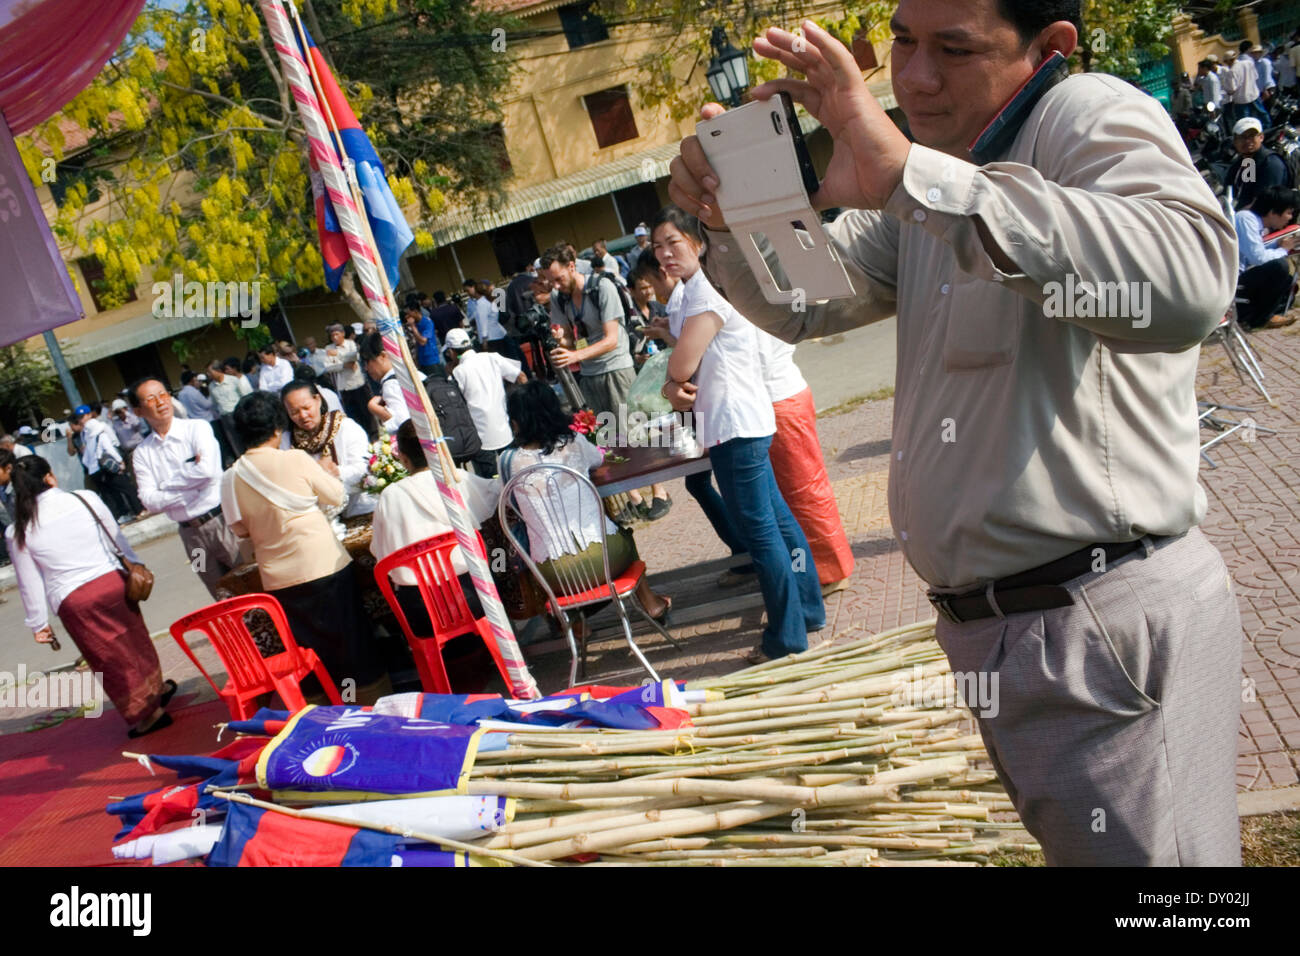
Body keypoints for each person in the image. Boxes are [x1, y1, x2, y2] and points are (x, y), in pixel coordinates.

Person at [669, 6, 1241, 865]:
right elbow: (811, 297)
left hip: (1096, 627)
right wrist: (733, 207)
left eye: (954, 49)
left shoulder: (1086, 114)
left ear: (1048, 50)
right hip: (1021, 636)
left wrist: (912, 176)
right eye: (902, 41)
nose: (914, 76)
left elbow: (1190, 283)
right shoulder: (938, 174)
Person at [651, 207, 824, 662]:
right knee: (777, 522)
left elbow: (682, 364)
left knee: (761, 532)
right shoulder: (699, 288)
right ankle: (807, 610)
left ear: (698, 242)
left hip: (734, 424)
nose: (665, 254)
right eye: (657, 247)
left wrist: (672, 382)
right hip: (741, 419)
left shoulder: (707, 290)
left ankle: (786, 636)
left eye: (674, 242)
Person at [221, 391, 387, 702]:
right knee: (352, 642)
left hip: (280, 580)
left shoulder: (230, 478)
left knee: (308, 650)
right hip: (325, 566)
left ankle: (323, 709)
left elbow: (239, 529)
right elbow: (336, 496)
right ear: (277, 427)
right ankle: (369, 704)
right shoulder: (296, 459)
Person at [7, 455, 176, 736]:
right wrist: (136, 565)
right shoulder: (84, 498)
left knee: (109, 657)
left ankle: (147, 714)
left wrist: (39, 623)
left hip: (75, 599)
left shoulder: (18, 530)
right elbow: (116, 537)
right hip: (113, 581)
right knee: (136, 640)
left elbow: (29, 581)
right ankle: (157, 689)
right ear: (49, 477)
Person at [499, 380, 671, 624]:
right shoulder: (573, 442)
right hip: (606, 558)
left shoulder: (507, 461)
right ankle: (650, 602)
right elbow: (598, 462)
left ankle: (576, 627)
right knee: (624, 535)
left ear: (515, 421)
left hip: (552, 575)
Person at [370, 419, 502, 633]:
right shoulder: (457, 479)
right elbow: (494, 498)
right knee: (497, 551)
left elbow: (379, 553)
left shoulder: (389, 496)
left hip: (421, 611)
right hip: (474, 598)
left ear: (403, 459)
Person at [130, 377, 247, 598]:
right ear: (138, 411)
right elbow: (149, 500)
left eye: (163, 394)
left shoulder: (197, 429)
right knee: (218, 591)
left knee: (247, 579)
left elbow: (207, 472)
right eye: (151, 398)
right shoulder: (142, 454)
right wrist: (193, 488)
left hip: (222, 524)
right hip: (191, 537)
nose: (161, 402)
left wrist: (165, 486)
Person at [280, 379, 375, 517]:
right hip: (316, 517)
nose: (303, 416)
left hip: (358, 508)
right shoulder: (287, 440)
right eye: (294, 412)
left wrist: (335, 472)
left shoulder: (345, 427)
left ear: (317, 400)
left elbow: (364, 469)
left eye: (306, 408)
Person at [443, 327, 527, 478]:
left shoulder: (458, 373)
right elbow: (520, 376)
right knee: (517, 475)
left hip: (480, 439)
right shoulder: (492, 357)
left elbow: (457, 405)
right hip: (506, 430)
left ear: (452, 352)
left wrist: (450, 375)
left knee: (490, 484)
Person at [1233, 185, 1300, 329]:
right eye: (1288, 213)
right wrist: (1283, 249)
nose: (1289, 218)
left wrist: (1279, 245)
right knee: (1279, 267)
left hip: (1241, 275)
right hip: (1232, 280)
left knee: (1288, 284)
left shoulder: (1256, 222)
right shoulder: (1246, 219)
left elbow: (1256, 249)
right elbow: (1257, 258)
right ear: (1272, 212)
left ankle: (1257, 313)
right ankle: (1259, 319)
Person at [71, 405, 145, 523]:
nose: (81, 420)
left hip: (96, 469)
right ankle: (138, 510)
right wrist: (120, 461)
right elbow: (111, 446)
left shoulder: (86, 434)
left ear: (90, 414)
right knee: (126, 487)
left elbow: (86, 456)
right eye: (79, 418)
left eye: (83, 417)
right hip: (107, 465)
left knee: (109, 494)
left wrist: (91, 465)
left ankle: (119, 517)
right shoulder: (95, 432)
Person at [1225, 117, 1293, 210]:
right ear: (1235, 141)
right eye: (1242, 137)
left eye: (1252, 136)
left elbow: (1265, 202)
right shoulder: (1246, 161)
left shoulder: (1271, 163)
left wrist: (1239, 214)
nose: (1248, 141)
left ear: (1261, 137)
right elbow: (1243, 192)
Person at [322, 323, 373, 438]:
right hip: (344, 387)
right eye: (332, 335)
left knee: (366, 411)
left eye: (337, 334)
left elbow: (354, 357)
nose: (334, 337)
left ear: (343, 334)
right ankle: (362, 436)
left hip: (358, 384)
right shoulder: (329, 349)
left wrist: (337, 356)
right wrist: (343, 365)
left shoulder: (350, 344)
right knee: (353, 414)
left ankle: (373, 435)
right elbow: (329, 367)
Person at [359, 331, 414, 436]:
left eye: (367, 361)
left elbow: (404, 425)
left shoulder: (390, 385)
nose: (366, 368)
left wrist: (375, 409)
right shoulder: (410, 373)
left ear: (383, 356)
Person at [1229, 38, 1268, 127]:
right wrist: (1263, 89)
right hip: (1253, 94)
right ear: (1248, 49)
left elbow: (1232, 87)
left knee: (1244, 121)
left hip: (1241, 99)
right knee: (1262, 114)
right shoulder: (1249, 61)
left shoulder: (1233, 68)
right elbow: (1256, 77)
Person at [403, 299, 443, 375]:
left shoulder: (427, 322)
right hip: (421, 361)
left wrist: (412, 326)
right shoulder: (415, 324)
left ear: (415, 311)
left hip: (431, 360)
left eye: (408, 314)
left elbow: (423, 341)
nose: (407, 317)